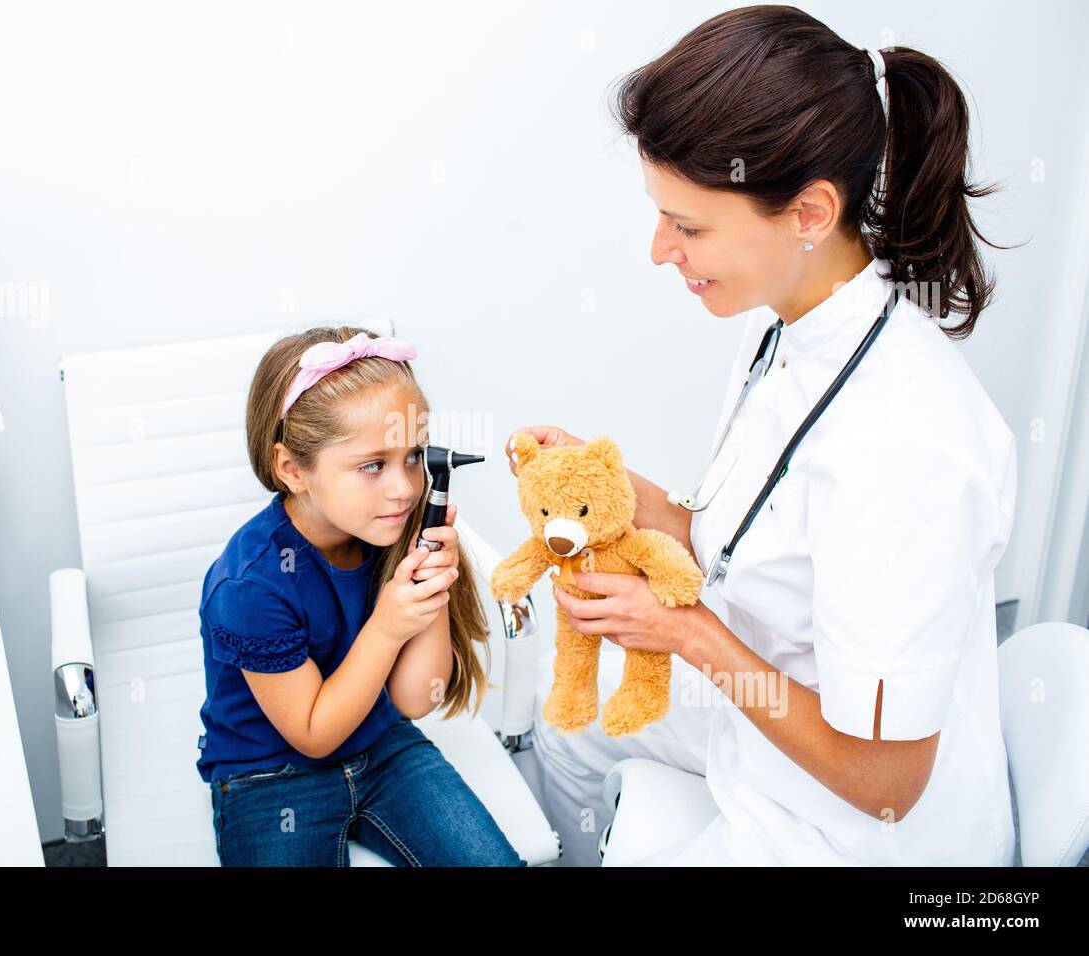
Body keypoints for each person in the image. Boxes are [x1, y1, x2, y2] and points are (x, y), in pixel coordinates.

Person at [508, 5, 1017, 865]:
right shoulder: (791, 321)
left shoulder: (902, 451)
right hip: (755, 708)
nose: (659, 250)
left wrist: (686, 633)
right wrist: (614, 492)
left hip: (855, 824)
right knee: (566, 732)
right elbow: (750, 540)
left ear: (810, 212)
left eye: (690, 226)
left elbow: (887, 786)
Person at [196, 325, 525, 866]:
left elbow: (417, 699)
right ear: (292, 469)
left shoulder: (391, 530)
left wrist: (430, 592)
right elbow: (314, 736)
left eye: (413, 457)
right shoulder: (250, 587)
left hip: (383, 749)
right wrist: (388, 625)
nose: (403, 487)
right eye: (372, 465)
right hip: (271, 780)